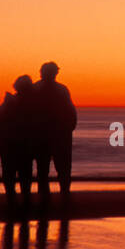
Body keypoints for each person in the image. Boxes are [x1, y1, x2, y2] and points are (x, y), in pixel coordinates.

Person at [34, 61, 77, 200]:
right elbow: (71, 112)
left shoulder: (37, 89)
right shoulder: (61, 89)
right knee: (59, 167)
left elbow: (70, 112)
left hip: (50, 134)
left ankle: (48, 195)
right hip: (56, 134)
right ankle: (62, 193)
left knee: (46, 167)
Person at [0, 74, 36, 212]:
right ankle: (23, 201)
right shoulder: (28, 105)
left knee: (10, 174)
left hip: (9, 145)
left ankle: (13, 200)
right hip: (21, 145)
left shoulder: (8, 103)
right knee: (24, 175)